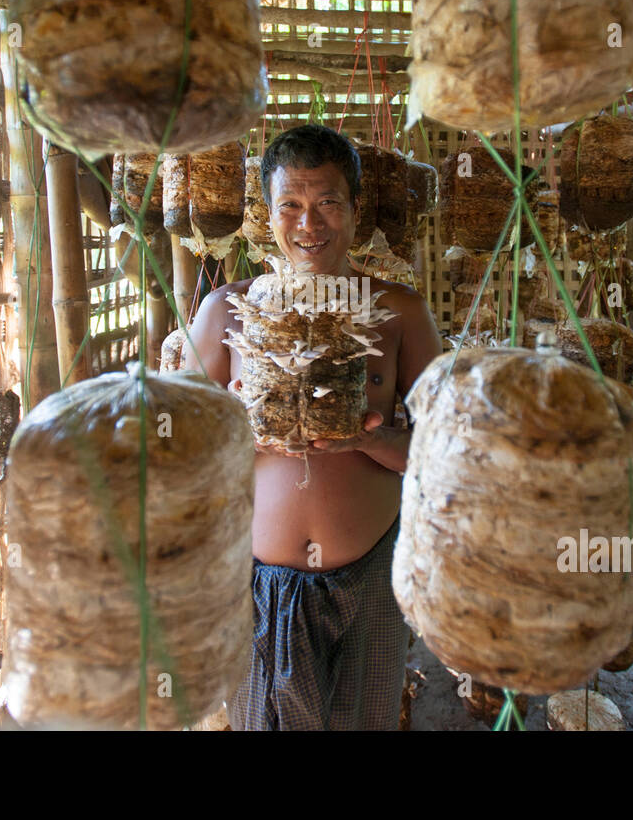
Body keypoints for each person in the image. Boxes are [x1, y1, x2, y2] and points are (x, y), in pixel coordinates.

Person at [185, 124, 442, 730]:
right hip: (257, 583)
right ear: (266, 214)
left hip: (373, 578)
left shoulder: (400, 311)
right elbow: (178, 455)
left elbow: (446, 455)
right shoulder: (227, 311)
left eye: (327, 202)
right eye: (291, 206)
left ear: (355, 210)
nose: (310, 223)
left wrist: (369, 439)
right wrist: (240, 436)